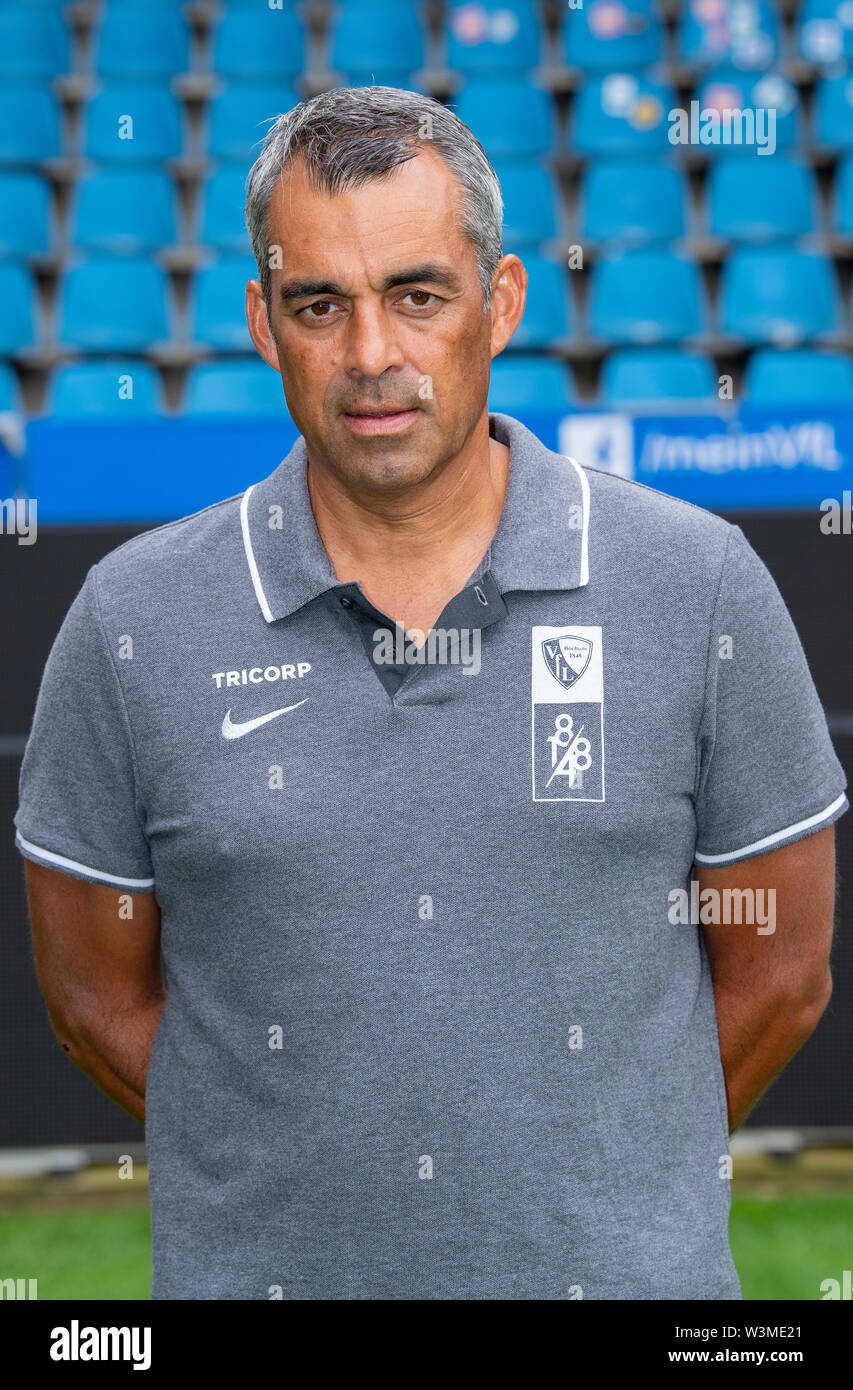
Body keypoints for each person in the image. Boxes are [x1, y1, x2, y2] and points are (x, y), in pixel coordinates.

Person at [15, 86, 847, 1300]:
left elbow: (784, 974)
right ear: (261, 321)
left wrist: (582, 1163)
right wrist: (295, 1156)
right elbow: (92, 1000)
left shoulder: (698, 583)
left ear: (499, 301)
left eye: (417, 294)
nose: (371, 356)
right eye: (319, 305)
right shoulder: (131, 619)